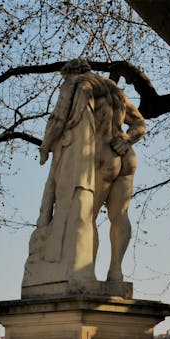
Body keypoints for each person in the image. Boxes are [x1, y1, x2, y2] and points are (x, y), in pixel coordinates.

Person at [23, 58, 145, 292]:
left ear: (69, 73)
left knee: (87, 216)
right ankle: (116, 274)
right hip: (125, 154)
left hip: (98, 156)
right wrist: (127, 138)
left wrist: (46, 146)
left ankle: (86, 272)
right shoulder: (114, 89)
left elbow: (58, 119)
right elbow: (140, 123)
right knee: (119, 215)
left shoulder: (76, 84)